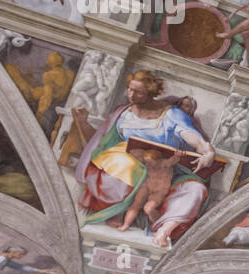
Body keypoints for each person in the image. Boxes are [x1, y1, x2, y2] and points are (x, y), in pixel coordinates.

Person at [76, 70, 216, 248]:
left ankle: (163, 230)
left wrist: (207, 152)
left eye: (138, 92)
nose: (131, 95)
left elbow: (193, 137)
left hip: (163, 169)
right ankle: (115, 212)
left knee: (195, 189)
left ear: (151, 93)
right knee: (125, 164)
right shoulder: (123, 113)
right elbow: (101, 142)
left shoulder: (170, 114)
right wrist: (82, 122)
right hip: (126, 160)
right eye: (129, 90)